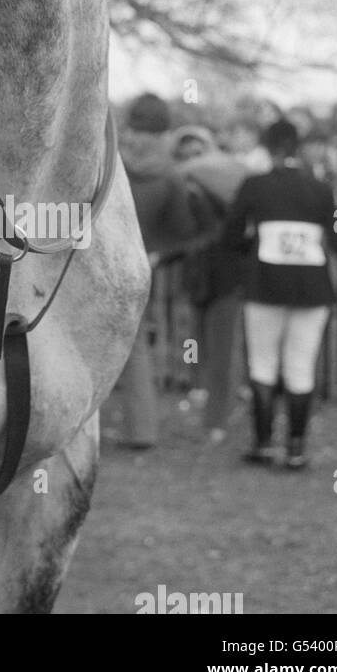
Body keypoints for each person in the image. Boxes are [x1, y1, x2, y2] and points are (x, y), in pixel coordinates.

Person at [221, 119, 337, 469]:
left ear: (268, 146)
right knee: (300, 368)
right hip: (312, 291)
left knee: (263, 365)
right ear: (297, 147)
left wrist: (253, 242)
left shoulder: (254, 185)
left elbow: (229, 237)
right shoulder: (323, 190)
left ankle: (262, 445)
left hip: (265, 286)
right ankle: (296, 449)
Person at [112, 93, 197, 449]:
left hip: (103, 258)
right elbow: (184, 234)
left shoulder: (111, 165)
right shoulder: (172, 176)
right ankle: (141, 430)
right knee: (134, 348)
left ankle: (78, 430)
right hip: (140, 265)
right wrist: (157, 255)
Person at [173, 128, 250, 442]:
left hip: (227, 277)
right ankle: (199, 394)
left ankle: (217, 420)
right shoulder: (180, 189)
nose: (193, 160)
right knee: (195, 343)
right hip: (198, 278)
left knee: (222, 351)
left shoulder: (231, 185)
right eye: (186, 154)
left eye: (198, 152)